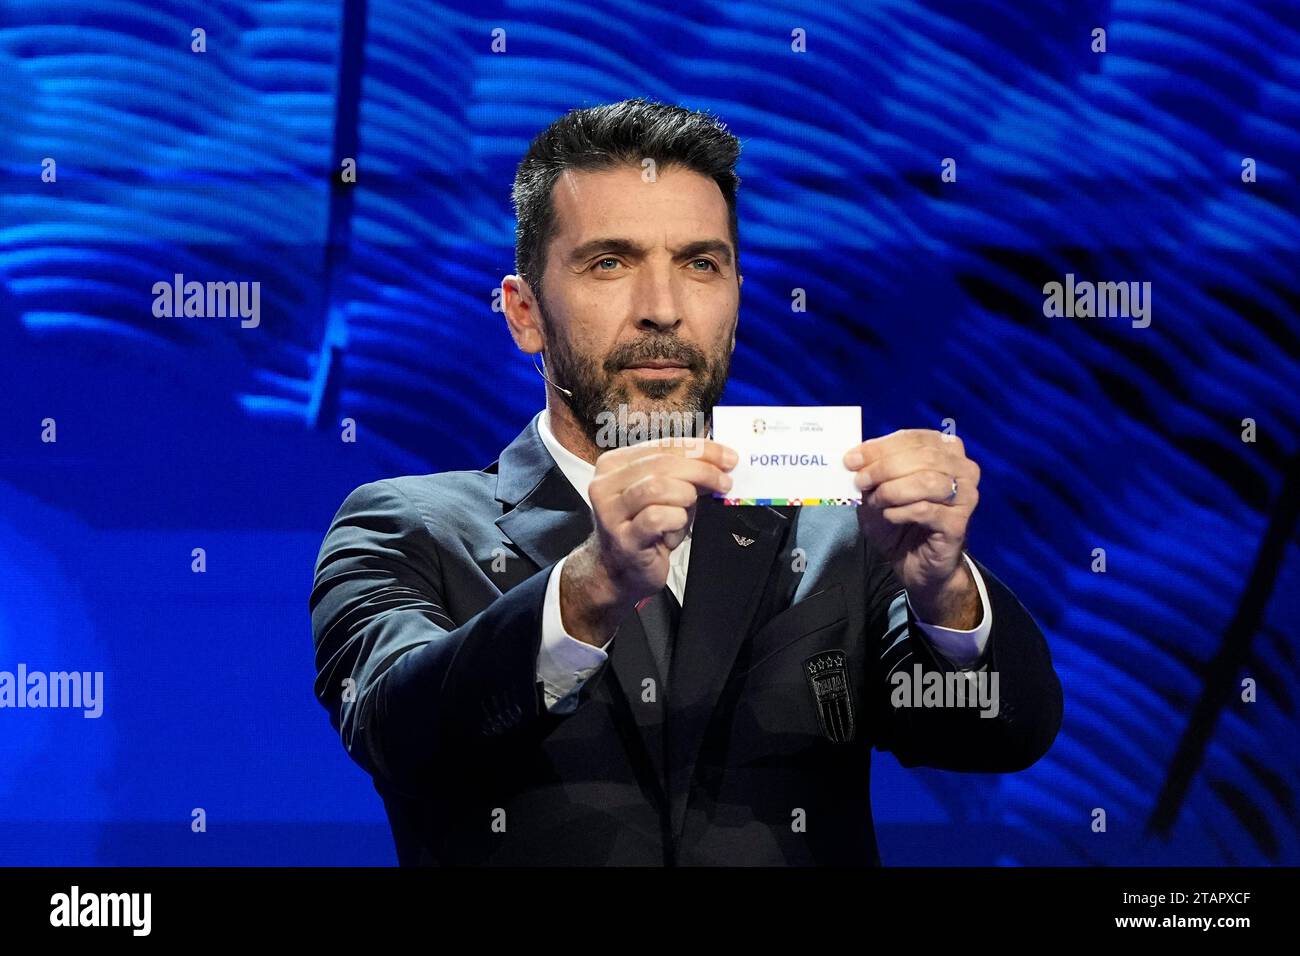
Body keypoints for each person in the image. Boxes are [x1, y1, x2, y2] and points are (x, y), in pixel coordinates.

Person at [309, 97, 1063, 866]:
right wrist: (587, 591)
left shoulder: (840, 530)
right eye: (610, 262)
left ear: (735, 301)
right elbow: (393, 729)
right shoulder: (405, 528)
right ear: (524, 313)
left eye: (700, 264)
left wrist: (948, 596)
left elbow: (1003, 735)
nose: (663, 310)